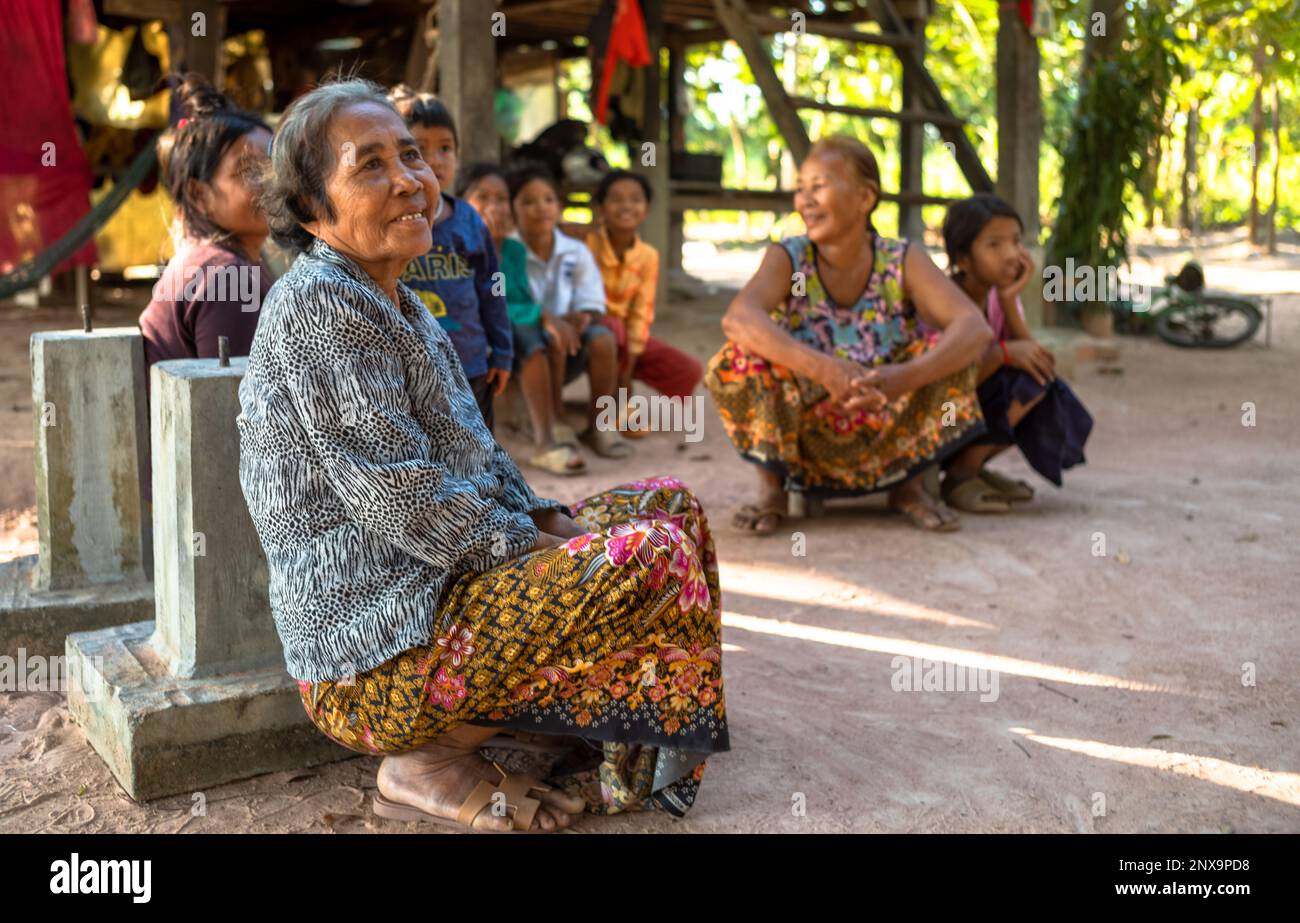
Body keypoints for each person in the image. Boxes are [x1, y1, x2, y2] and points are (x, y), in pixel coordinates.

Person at [239, 79, 727, 832]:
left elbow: (480, 458)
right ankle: (428, 757)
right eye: (369, 165)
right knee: (648, 557)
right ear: (311, 208)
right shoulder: (320, 307)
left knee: (666, 507)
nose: (411, 179)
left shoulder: (395, 298)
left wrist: (549, 522)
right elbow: (407, 499)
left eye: (412, 157)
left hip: (443, 602)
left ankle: (551, 718)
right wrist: (538, 547)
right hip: (377, 662)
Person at [704, 135, 992, 534]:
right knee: (738, 358)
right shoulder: (789, 256)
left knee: (950, 348)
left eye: (818, 186)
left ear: (865, 198)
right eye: (800, 189)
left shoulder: (901, 258)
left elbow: (974, 328)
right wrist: (825, 370)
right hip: (807, 430)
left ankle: (908, 486)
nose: (804, 199)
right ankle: (773, 490)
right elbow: (740, 318)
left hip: (886, 417)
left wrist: (902, 379)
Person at [137, 74, 271, 500]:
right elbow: (239, 416)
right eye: (249, 172)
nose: (272, 181)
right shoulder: (226, 278)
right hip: (207, 501)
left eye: (276, 163)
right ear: (199, 195)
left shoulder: (216, 262)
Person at [938, 194, 1093, 509]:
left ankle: (971, 468)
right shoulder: (942, 300)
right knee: (1023, 379)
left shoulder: (998, 299)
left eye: (1015, 241)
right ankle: (959, 476)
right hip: (939, 414)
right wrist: (1001, 355)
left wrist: (1009, 303)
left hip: (969, 411)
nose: (1011, 254)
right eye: (994, 245)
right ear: (962, 259)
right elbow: (942, 382)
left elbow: (1041, 364)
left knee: (1039, 382)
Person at [388, 86, 510, 431]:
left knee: (481, 452)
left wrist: (502, 349)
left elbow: (493, 287)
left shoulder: (469, 220)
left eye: (445, 148)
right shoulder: (388, 226)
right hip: (410, 374)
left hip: (471, 363)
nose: (435, 160)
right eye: (417, 149)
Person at [507, 163, 631, 469]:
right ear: (513, 211)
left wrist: (583, 317)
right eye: (528, 201)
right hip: (526, 341)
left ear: (559, 207)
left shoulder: (575, 251)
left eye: (549, 200)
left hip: (572, 339)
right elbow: (503, 303)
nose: (541, 208)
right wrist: (549, 319)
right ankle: (555, 420)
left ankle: (599, 425)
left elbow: (592, 300)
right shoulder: (507, 252)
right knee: (552, 335)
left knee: (603, 339)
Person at [585, 169, 703, 437]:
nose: (626, 206)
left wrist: (633, 357)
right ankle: (614, 410)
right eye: (616, 199)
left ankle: (622, 395)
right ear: (601, 207)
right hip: (591, 330)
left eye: (635, 199)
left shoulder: (649, 255)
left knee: (688, 369)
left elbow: (642, 310)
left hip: (627, 336)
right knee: (612, 329)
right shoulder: (587, 243)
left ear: (646, 209)